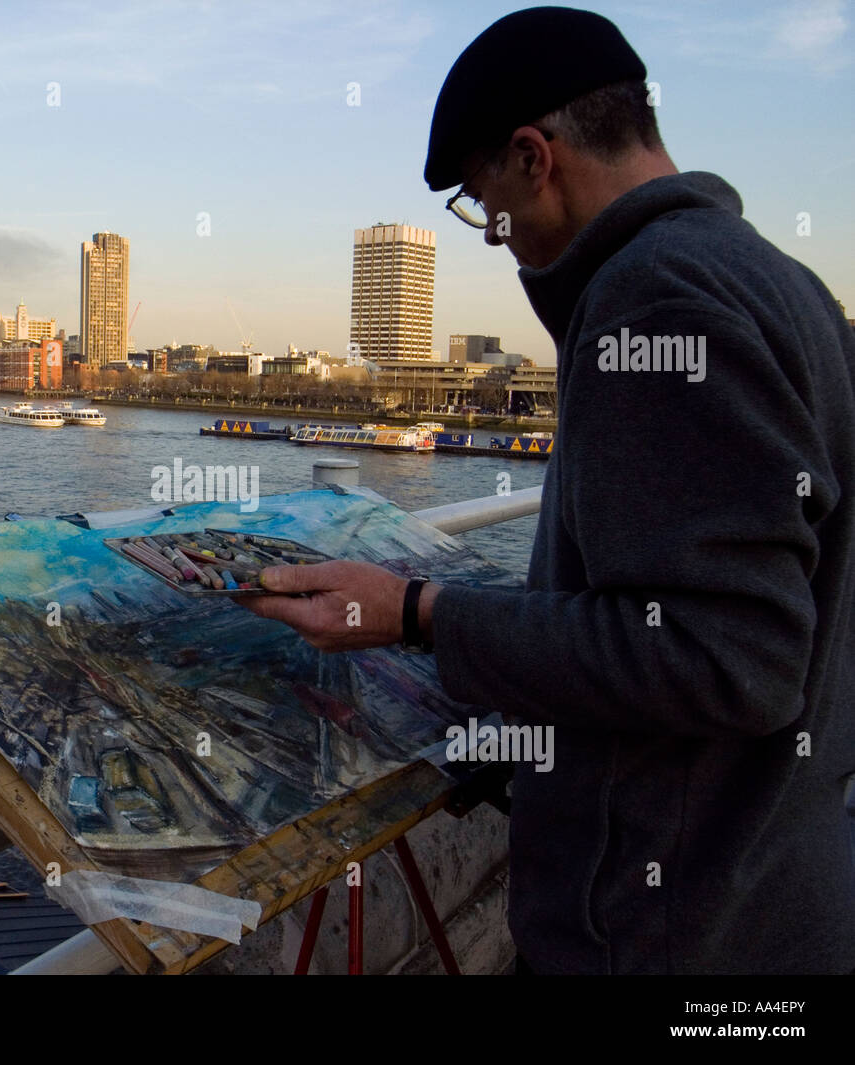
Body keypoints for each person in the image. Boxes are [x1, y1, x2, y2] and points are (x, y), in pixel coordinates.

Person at [243, 6, 855, 975]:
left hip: (669, 931)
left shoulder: (653, 298)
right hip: (773, 891)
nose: (497, 240)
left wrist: (417, 610)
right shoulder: (789, 286)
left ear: (535, 156)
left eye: (488, 207)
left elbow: (726, 657)